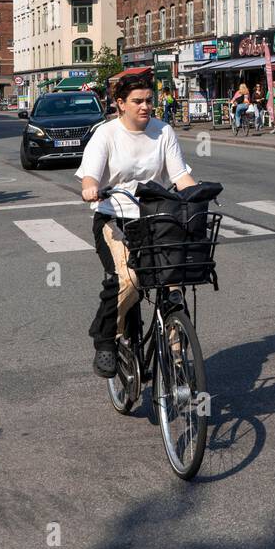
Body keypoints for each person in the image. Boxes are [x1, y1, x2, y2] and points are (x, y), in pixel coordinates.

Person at [77, 72, 197, 378]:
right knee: (127, 279)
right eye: (137, 101)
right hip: (113, 217)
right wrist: (90, 187)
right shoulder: (106, 134)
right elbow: (90, 174)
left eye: (148, 100)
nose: (145, 106)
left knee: (173, 286)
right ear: (121, 104)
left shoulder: (163, 131)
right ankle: (106, 338)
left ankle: (178, 360)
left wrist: (195, 196)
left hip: (155, 219)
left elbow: (179, 176)